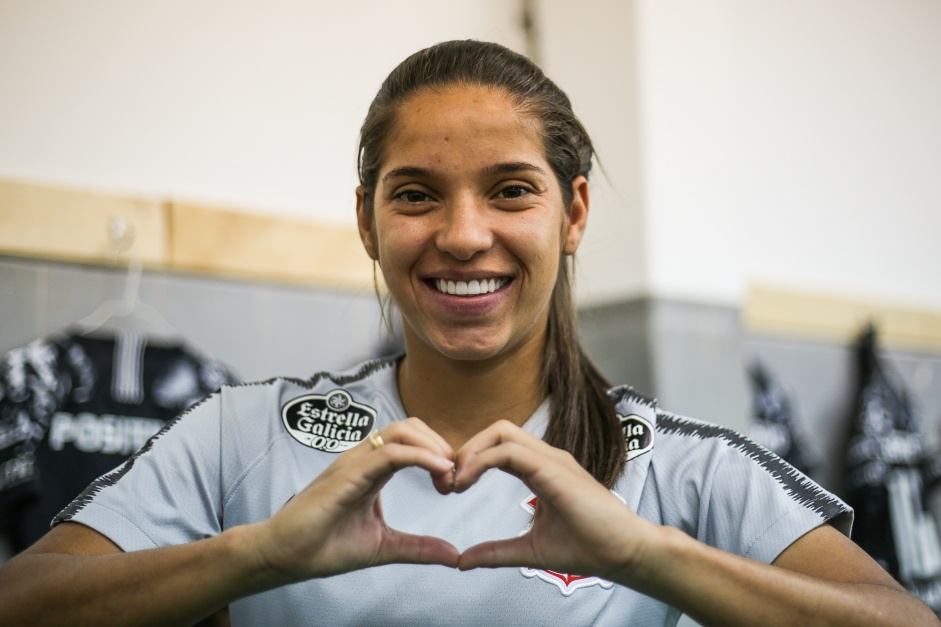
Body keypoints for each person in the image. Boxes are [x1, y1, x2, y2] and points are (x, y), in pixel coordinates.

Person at [0, 39, 935, 626]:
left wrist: (647, 555)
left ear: (572, 214)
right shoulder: (239, 438)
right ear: (368, 221)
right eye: (415, 194)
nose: (461, 233)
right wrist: (257, 556)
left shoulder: (687, 468)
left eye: (509, 190)